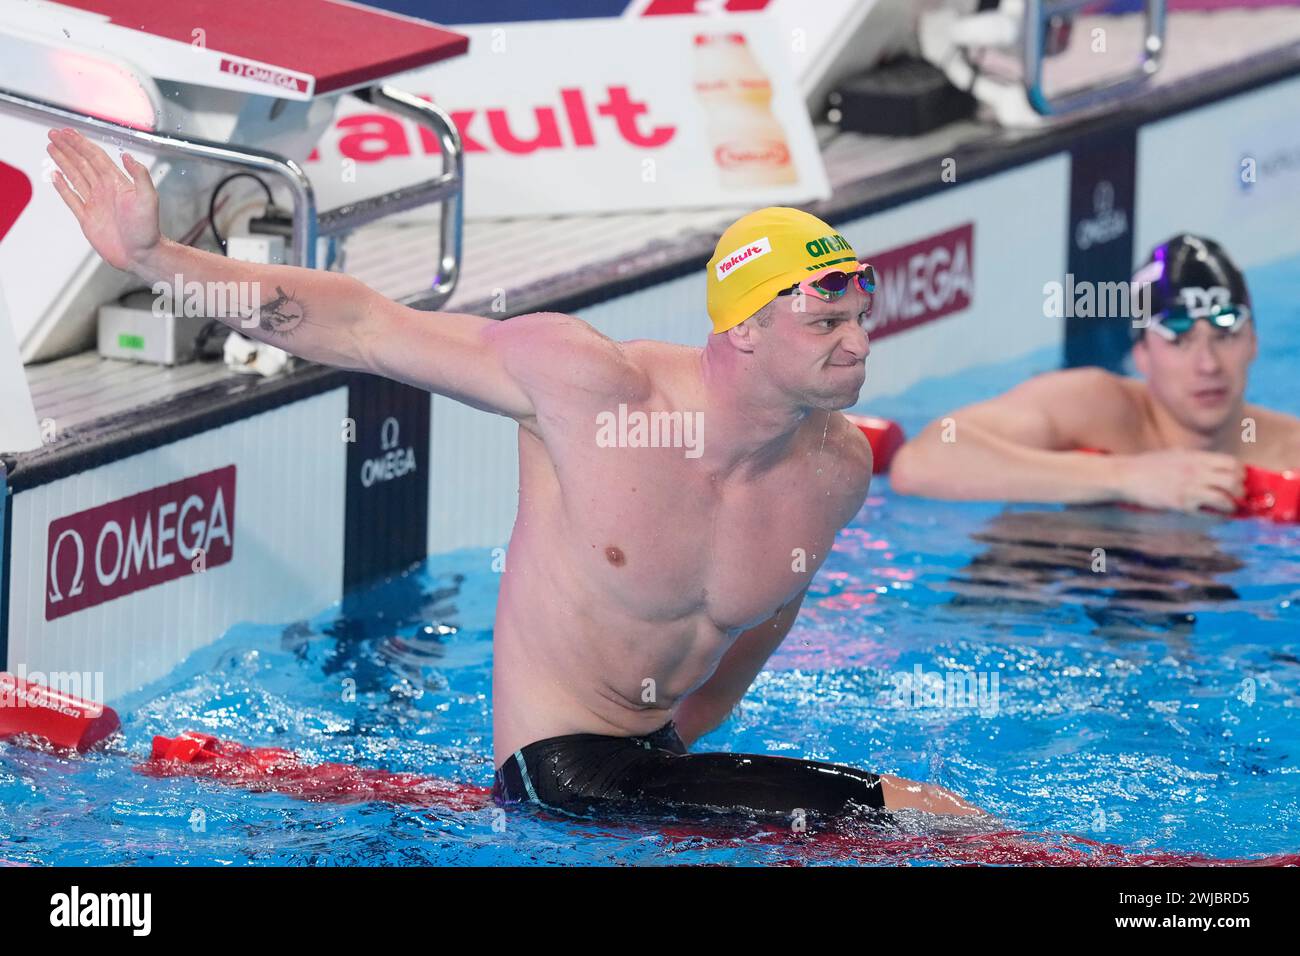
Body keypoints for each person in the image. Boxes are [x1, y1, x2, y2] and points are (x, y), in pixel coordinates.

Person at [46, 127, 981, 823]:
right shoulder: (589, 388)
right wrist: (155, 259)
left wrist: (678, 749)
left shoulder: (838, 466)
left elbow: (761, 622)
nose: (858, 343)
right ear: (743, 328)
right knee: (920, 819)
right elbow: (365, 325)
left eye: (860, 317)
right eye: (827, 325)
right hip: (557, 767)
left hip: (650, 764)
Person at [891, 235, 1300, 514]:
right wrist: (1126, 476)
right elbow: (921, 462)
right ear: (1140, 353)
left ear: (1254, 343)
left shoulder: (1290, 452)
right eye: (1179, 340)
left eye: (1226, 336)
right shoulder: (1092, 407)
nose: (1208, 364)